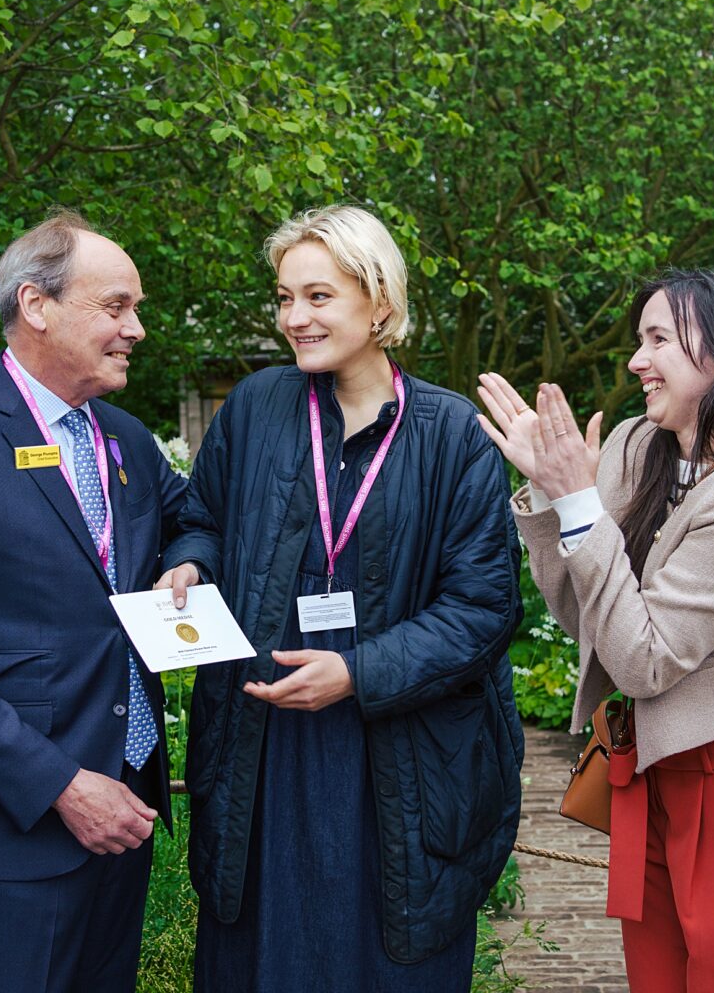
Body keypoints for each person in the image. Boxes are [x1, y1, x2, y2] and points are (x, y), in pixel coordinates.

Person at [159, 205, 524, 991]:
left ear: (380, 302)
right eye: (285, 298)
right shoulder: (255, 408)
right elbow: (203, 518)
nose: (295, 318)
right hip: (265, 750)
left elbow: (483, 611)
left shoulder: (451, 435)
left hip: (399, 763)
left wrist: (358, 673)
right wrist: (189, 563)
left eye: (318, 297)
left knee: (385, 957)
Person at [475, 268, 714, 992]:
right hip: (653, 784)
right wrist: (554, 495)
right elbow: (594, 623)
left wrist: (581, 504)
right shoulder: (639, 448)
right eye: (639, 340)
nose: (637, 361)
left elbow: (647, 662)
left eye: (659, 340)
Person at [0, 210, 187, 993]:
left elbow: (196, 521)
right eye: (117, 307)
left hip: (128, 805)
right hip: (13, 831)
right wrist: (61, 785)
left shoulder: (124, 437)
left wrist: (185, 562)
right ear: (36, 304)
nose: (137, 329)